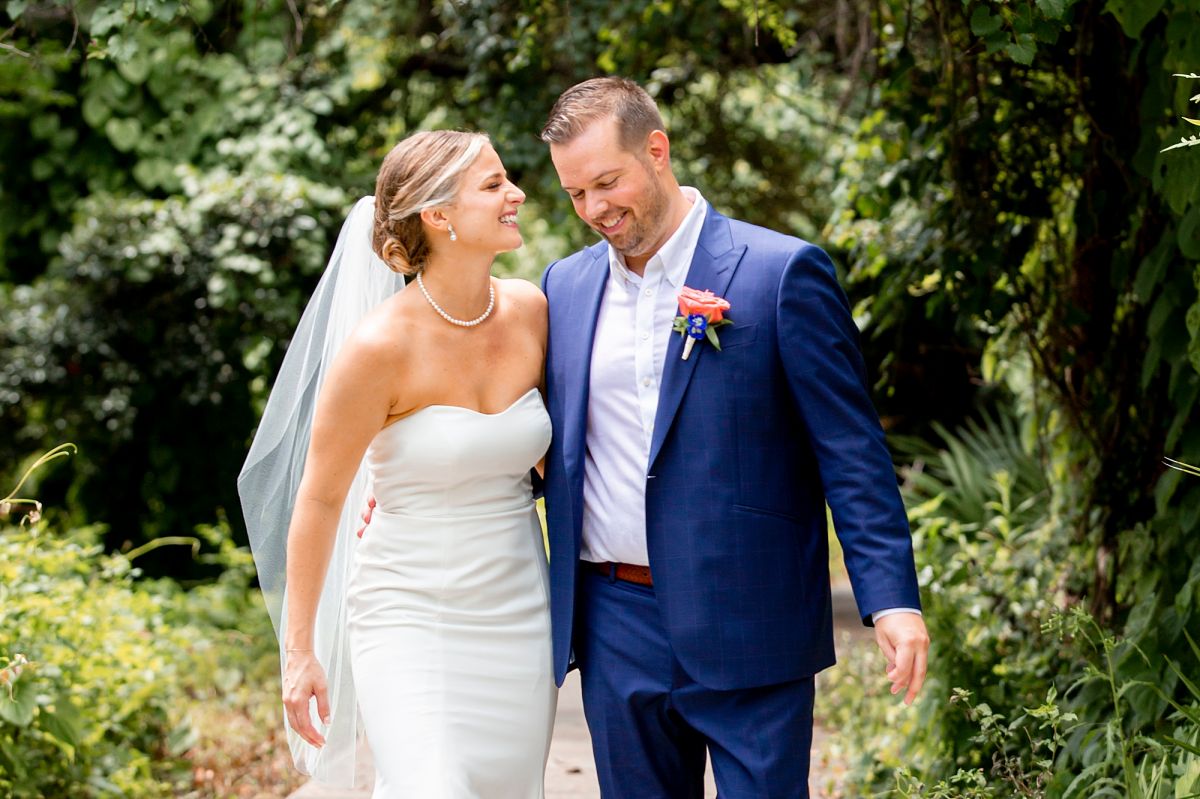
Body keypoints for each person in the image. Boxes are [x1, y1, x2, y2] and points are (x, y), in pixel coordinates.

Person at [538, 77, 930, 797]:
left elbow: (850, 453)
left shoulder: (780, 273)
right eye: (575, 194)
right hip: (615, 622)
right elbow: (537, 435)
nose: (594, 209)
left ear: (657, 150)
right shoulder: (561, 287)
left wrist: (893, 599)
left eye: (607, 182)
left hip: (753, 613)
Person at [238, 130, 556, 797]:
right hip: (408, 609)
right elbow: (320, 498)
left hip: (518, 609)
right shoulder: (377, 348)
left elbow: (561, 458)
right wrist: (299, 652)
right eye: (493, 184)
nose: (517, 194)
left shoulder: (532, 311)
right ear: (438, 215)